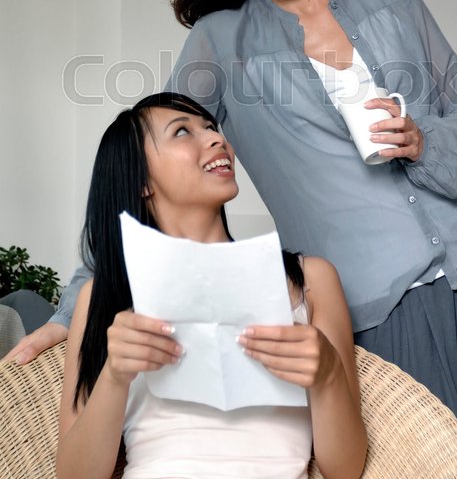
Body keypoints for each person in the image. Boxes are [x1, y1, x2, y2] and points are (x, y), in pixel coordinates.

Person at [7, 0, 457, 476]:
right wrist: (76, 308)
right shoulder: (220, 40)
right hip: (383, 297)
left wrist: (422, 143)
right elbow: (145, 165)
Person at [55, 92, 366, 479]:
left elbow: (347, 469)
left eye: (211, 128)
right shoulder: (101, 299)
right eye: (182, 132)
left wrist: (329, 374)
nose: (217, 139)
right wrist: (116, 375)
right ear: (141, 182)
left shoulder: (312, 280)